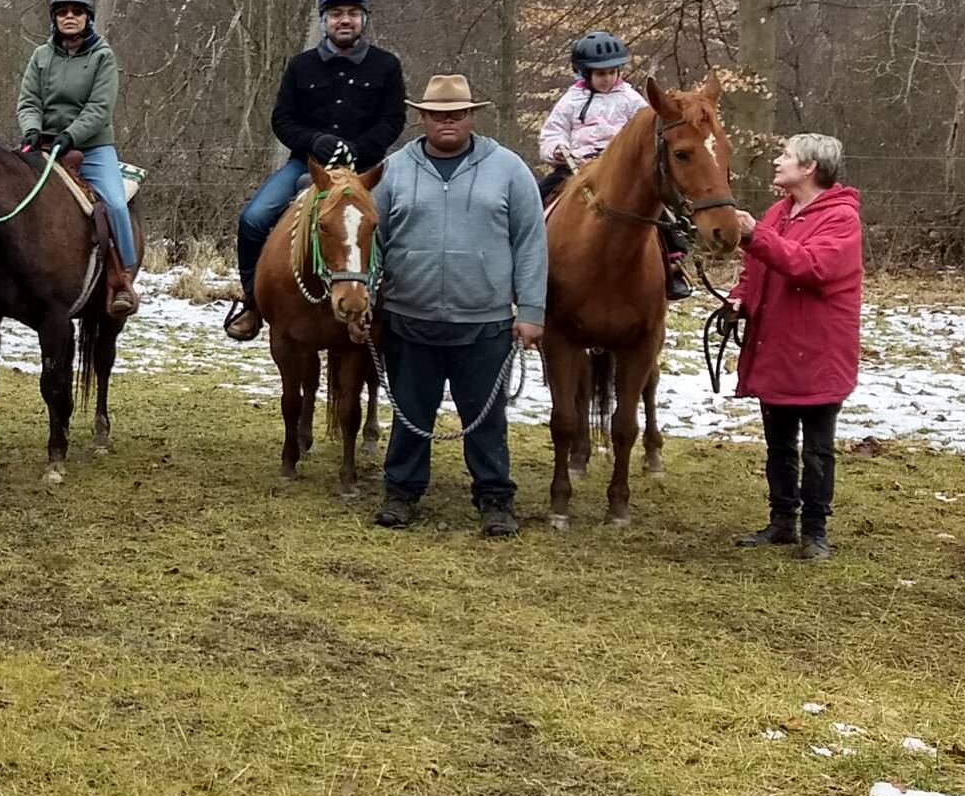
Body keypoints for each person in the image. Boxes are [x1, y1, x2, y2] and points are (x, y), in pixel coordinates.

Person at [370, 74, 548, 537]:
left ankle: (494, 499)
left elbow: (530, 243)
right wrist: (367, 302)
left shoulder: (509, 169)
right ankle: (401, 494)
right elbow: (373, 243)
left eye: (457, 114)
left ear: (472, 116)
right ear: (421, 118)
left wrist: (530, 311)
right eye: (437, 115)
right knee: (411, 413)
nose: (447, 122)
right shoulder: (393, 171)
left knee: (486, 419)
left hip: (485, 322)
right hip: (410, 318)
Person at [224, 0, 407, 340]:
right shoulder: (301, 66)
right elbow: (283, 119)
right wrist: (315, 141)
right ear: (324, 20)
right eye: (336, 14)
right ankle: (253, 303)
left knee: (395, 228)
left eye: (353, 14)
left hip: (365, 171)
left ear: (364, 20)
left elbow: (392, 120)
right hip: (305, 167)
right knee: (253, 219)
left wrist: (360, 150)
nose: (345, 20)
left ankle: (390, 311)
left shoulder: (385, 66)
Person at [729, 132, 863, 562]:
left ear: (809, 168)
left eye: (786, 156)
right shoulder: (779, 212)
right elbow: (756, 269)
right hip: (777, 344)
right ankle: (783, 520)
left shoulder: (841, 219)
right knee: (779, 442)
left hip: (818, 350)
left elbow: (812, 267)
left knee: (818, 446)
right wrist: (739, 298)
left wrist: (755, 235)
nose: (777, 160)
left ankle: (815, 531)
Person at [537, 30, 691, 300]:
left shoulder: (631, 100)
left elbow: (648, 131)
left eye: (612, 72)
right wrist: (558, 150)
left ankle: (672, 265)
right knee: (536, 199)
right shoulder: (571, 101)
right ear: (585, 74)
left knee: (659, 210)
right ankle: (532, 261)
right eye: (600, 74)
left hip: (621, 170)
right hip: (578, 166)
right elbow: (553, 132)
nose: (607, 79)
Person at [16, 0, 137, 317]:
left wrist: (70, 135)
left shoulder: (103, 57)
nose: (70, 17)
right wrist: (31, 129)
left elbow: (100, 108)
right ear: (54, 19)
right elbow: (29, 101)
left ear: (88, 18)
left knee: (113, 202)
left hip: (91, 147)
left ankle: (122, 277)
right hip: (42, 143)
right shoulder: (41, 56)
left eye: (77, 12)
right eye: (62, 12)